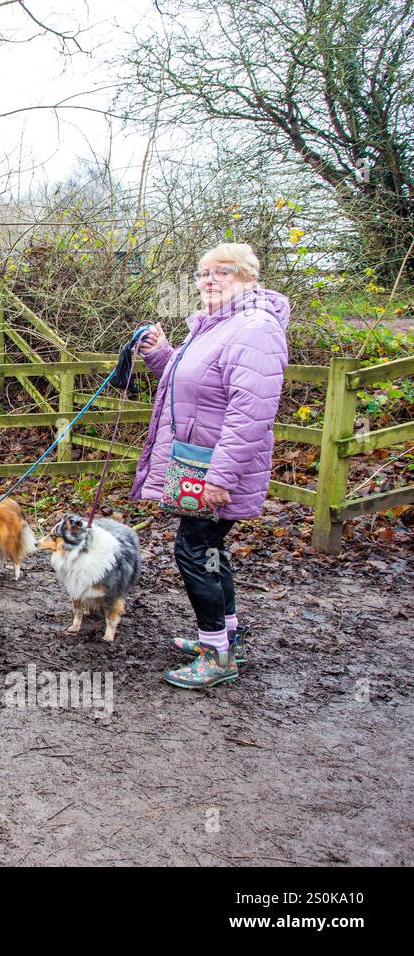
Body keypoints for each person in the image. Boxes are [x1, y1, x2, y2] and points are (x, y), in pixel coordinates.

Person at [131, 242, 289, 688]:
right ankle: (227, 633)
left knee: (193, 550)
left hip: (216, 467)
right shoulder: (215, 325)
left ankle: (216, 653)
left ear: (248, 278)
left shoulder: (255, 328)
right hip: (195, 460)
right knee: (210, 548)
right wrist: (162, 353)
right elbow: (193, 384)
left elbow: (252, 411)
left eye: (223, 273)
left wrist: (222, 477)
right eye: (204, 273)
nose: (210, 281)